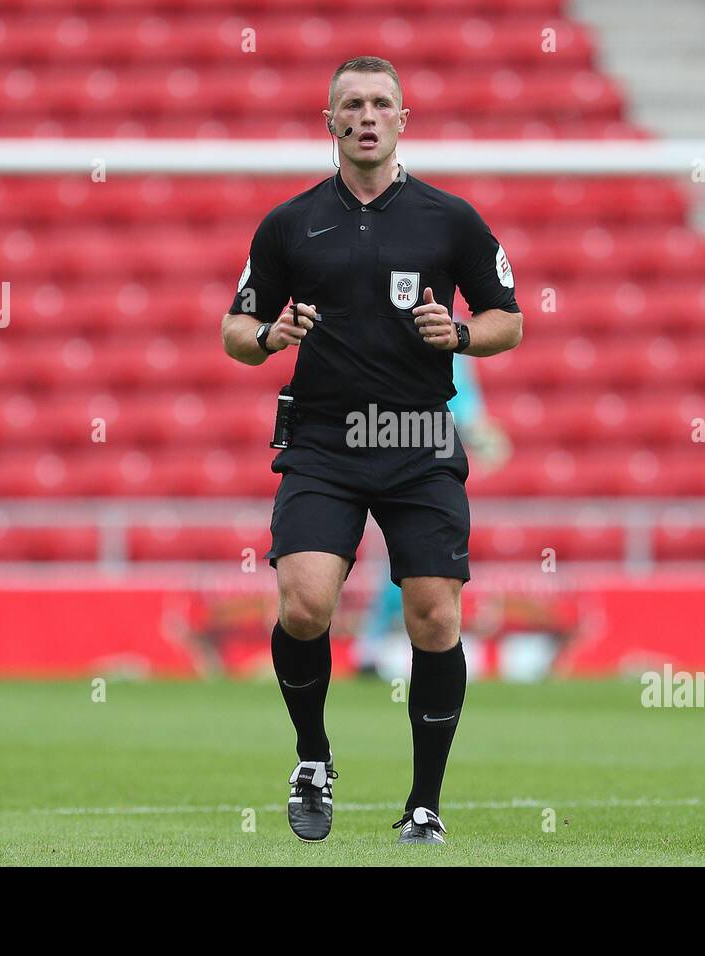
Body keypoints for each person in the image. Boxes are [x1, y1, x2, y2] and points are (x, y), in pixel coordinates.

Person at [219, 56, 524, 845]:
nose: (366, 114)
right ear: (329, 122)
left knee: (432, 616)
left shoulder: (450, 219)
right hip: (324, 438)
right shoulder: (289, 223)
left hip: (419, 436)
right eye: (351, 103)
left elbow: (508, 319)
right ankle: (314, 757)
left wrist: (458, 333)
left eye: (380, 103)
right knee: (305, 604)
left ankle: (425, 802)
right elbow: (234, 331)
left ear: (401, 120)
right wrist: (267, 335)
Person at [355, 353, 511, 678]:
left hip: (423, 445)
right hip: (407, 441)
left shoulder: (441, 325)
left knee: (414, 558)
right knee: (414, 558)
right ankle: (390, 647)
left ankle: (380, 646)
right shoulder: (436, 321)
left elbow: (462, 394)